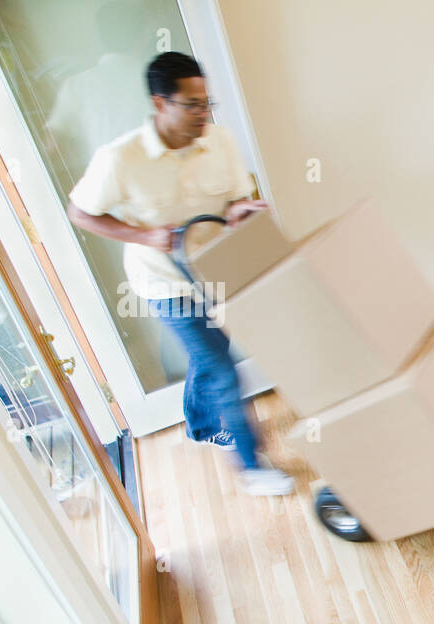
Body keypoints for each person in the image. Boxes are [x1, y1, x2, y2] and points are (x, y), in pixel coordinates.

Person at [66, 51, 293, 496]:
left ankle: (202, 425)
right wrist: (141, 235)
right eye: (191, 105)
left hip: (217, 272)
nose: (202, 114)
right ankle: (252, 467)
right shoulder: (119, 159)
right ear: (159, 104)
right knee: (223, 369)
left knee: (210, 354)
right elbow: (80, 213)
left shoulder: (219, 141)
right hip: (166, 285)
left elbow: (232, 202)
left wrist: (240, 210)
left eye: (207, 103)